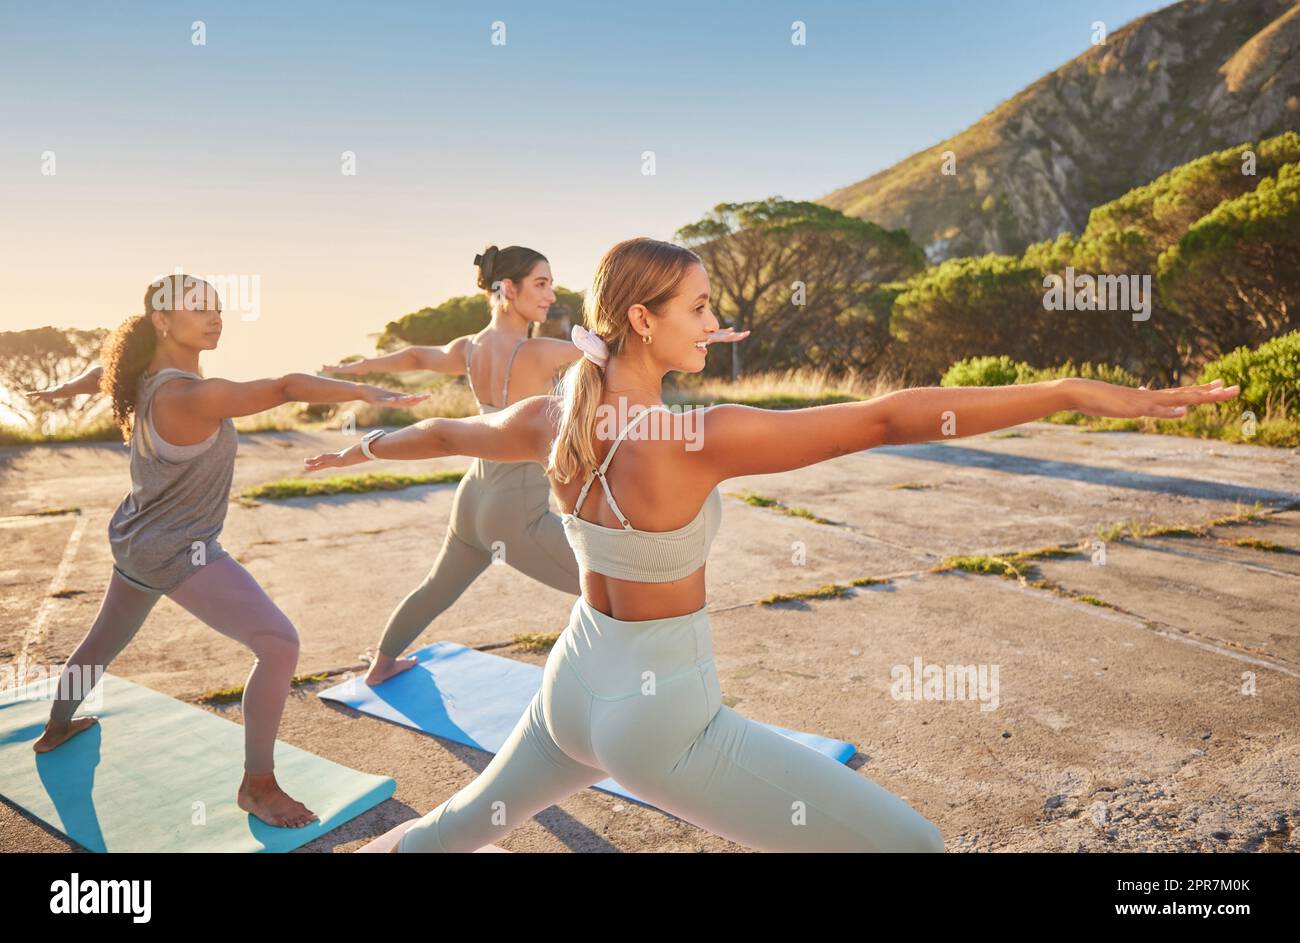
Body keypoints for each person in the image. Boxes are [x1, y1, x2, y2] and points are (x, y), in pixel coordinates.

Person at [303, 237, 1239, 852]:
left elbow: (446, 434)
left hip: (574, 685)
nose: (714, 324)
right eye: (700, 308)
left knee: (451, 827)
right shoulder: (696, 437)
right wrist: (1070, 392)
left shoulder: (558, 415)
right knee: (915, 848)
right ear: (642, 320)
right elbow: (887, 417)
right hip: (660, 719)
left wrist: (359, 447)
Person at [27, 274, 427, 828]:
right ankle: (258, 786)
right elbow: (286, 387)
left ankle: (56, 728)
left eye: (217, 307)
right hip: (178, 550)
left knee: (102, 642)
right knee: (279, 644)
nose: (215, 317)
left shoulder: (142, 377)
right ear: (162, 321)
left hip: (134, 538)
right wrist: (363, 391)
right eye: (198, 308)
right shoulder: (193, 395)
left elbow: (100, 374)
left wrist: (61, 391)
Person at [320, 245, 744, 686]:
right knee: (627, 591)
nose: (550, 295)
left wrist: (355, 368)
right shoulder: (540, 350)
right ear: (508, 289)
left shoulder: (468, 348)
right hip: (514, 512)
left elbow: (412, 358)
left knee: (436, 588)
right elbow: (629, 346)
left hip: (473, 498)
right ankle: (632, 694)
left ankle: (381, 665)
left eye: (551, 284)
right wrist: (701, 336)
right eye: (540, 284)